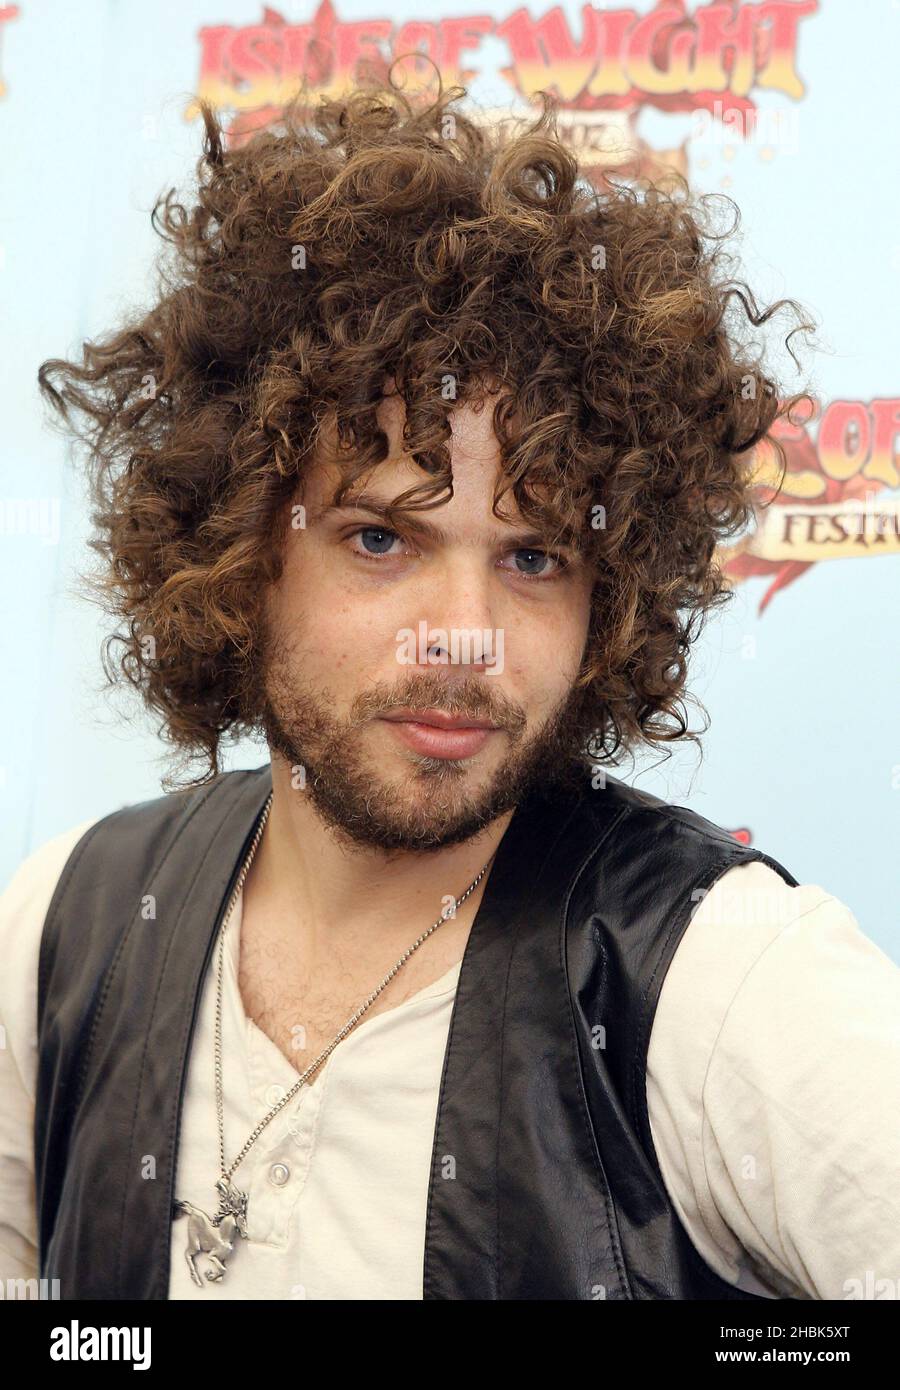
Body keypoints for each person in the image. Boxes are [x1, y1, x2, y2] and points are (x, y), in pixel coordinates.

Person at [2, 71, 898, 1302]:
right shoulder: (69, 929)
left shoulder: (716, 977)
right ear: (243, 546)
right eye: (382, 539)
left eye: (533, 558)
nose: (464, 640)